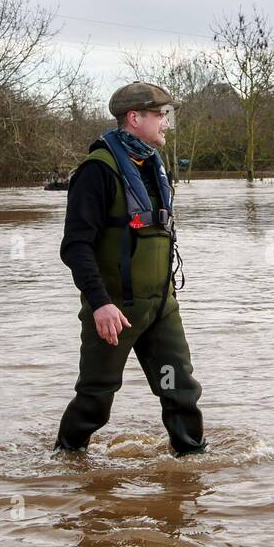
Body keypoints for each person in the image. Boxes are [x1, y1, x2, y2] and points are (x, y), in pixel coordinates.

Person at [54, 82, 207, 457]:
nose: (166, 123)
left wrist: (164, 299)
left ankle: (190, 469)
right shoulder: (97, 171)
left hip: (160, 307)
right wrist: (100, 303)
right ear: (135, 118)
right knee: (96, 398)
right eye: (160, 115)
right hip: (114, 310)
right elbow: (75, 246)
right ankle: (66, 462)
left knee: (180, 390)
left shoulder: (155, 168)